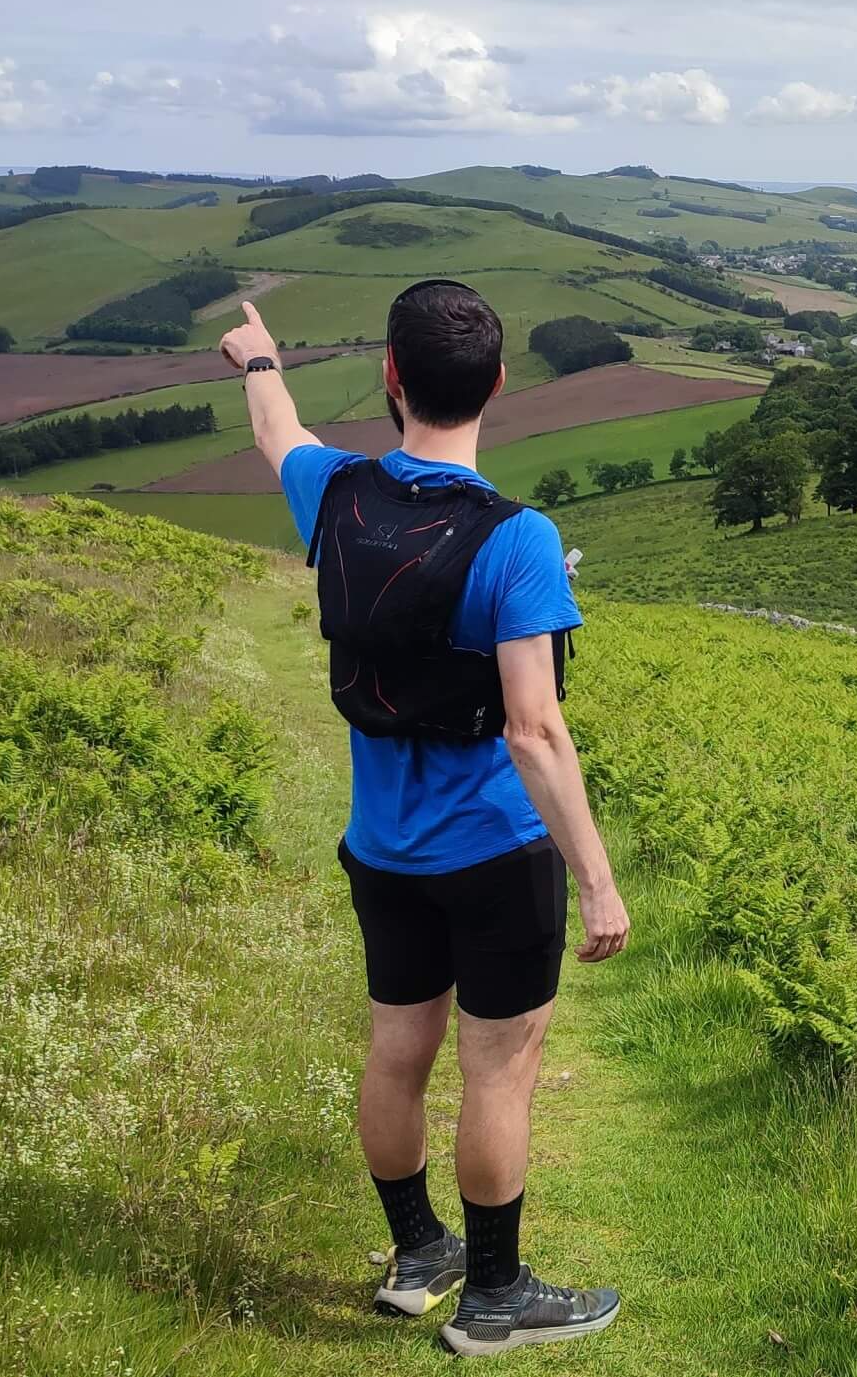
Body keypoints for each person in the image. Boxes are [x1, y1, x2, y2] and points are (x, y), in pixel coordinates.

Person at [224, 285, 630, 1357]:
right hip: (495, 854)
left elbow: (279, 433)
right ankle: (494, 1296)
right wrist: (596, 877)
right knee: (499, 1070)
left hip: (381, 847)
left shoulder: (335, 494)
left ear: (393, 378)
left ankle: (418, 1253)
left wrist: (260, 356)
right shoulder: (518, 540)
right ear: (498, 383)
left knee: (397, 1049)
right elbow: (535, 733)